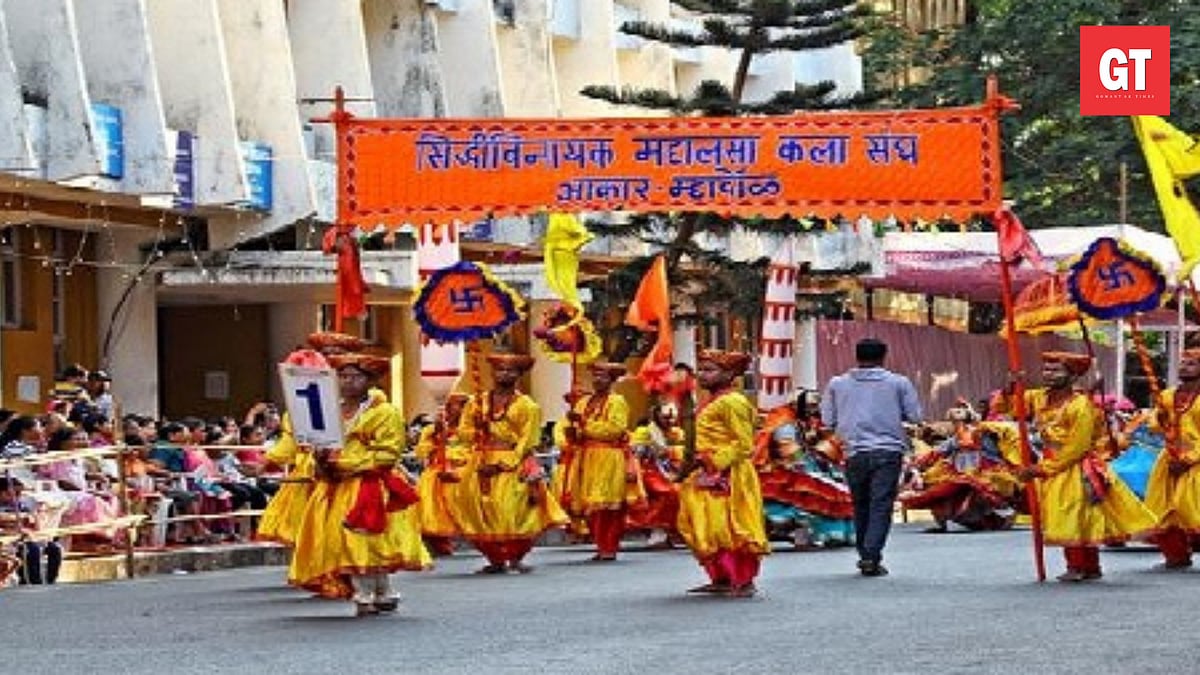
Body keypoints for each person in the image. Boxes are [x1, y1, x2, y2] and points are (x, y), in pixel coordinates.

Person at [288, 351, 430, 616]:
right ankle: (374, 590)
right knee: (343, 538)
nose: (348, 381)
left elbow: (388, 453)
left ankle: (373, 590)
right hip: (335, 485)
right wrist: (320, 461)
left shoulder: (385, 412)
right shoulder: (328, 411)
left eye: (355, 376)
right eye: (343, 376)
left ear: (371, 380)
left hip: (370, 483)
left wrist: (346, 465)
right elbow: (314, 446)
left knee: (367, 539)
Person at [1015, 351, 1155, 582]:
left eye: (1055, 370)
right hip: (1052, 464)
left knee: (1072, 514)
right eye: (1046, 369)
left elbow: (1077, 447)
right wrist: (1013, 385)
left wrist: (1042, 469)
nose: (1048, 374)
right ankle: (1089, 567)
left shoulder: (1081, 406)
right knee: (1076, 514)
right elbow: (1011, 405)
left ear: (1072, 376)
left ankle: (1078, 565)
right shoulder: (1039, 397)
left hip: (1074, 467)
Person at [451, 352, 567, 574]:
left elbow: (528, 441)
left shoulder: (528, 406)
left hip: (513, 464)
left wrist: (502, 465)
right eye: (500, 370)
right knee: (479, 508)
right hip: (480, 461)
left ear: (519, 375)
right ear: (493, 373)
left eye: (510, 371)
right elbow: (463, 433)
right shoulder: (477, 402)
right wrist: (477, 429)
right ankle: (495, 559)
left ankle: (515, 557)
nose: (504, 374)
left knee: (512, 510)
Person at [821, 337, 922, 577]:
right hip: (888, 451)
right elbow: (915, 416)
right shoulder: (899, 383)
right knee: (881, 504)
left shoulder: (837, 384)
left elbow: (827, 419)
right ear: (883, 357)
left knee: (861, 504)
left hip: (853, 451)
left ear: (857, 356)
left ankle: (865, 552)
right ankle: (871, 555)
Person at [257, 330, 365, 546]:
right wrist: (267, 461)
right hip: (313, 469)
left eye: (338, 354)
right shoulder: (306, 398)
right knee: (313, 532)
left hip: (353, 468)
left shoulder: (370, 401)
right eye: (326, 353)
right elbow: (293, 439)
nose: (332, 358)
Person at [677, 349, 768, 598]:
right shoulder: (712, 401)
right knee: (705, 525)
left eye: (709, 370)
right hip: (707, 473)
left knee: (730, 526)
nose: (702, 375)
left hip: (729, 473)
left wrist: (713, 461)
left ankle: (743, 580)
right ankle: (722, 578)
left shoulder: (732, 402)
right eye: (701, 370)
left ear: (728, 374)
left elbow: (744, 444)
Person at [557, 361, 644, 562]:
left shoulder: (617, 401)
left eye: (602, 376)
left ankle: (609, 546)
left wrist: (583, 423)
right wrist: (572, 431)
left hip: (608, 457)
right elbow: (575, 431)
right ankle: (600, 544)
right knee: (589, 504)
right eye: (595, 376)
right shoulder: (583, 402)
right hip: (585, 457)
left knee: (608, 504)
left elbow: (614, 430)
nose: (597, 380)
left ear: (611, 380)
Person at [755, 389, 854, 549]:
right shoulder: (784, 424)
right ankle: (827, 532)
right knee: (825, 489)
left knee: (836, 486)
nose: (814, 410)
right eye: (810, 406)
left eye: (815, 406)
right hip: (782, 471)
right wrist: (813, 462)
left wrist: (825, 448)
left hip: (801, 466)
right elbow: (791, 453)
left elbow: (822, 446)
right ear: (797, 405)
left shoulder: (805, 422)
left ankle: (831, 532)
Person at [1145, 348, 1200, 569]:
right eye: (1182, 363)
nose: (1184, 367)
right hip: (1169, 459)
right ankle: (1176, 556)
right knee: (1162, 508)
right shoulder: (1167, 396)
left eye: (1191, 364)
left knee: (1191, 507)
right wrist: (1159, 418)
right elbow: (1155, 427)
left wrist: (1188, 460)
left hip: (1195, 461)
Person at [413, 393, 470, 556]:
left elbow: (473, 451)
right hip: (435, 474)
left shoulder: (470, 430)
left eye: (465, 406)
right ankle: (438, 542)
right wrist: (436, 436)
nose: (462, 410)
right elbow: (421, 452)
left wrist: (454, 459)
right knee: (430, 504)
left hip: (461, 473)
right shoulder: (431, 429)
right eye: (458, 405)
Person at [627, 402, 686, 548]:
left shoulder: (677, 432)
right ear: (656, 415)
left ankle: (674, 531)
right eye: (665, 417)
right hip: (649, 470)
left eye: (672, 417)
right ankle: (658, 530)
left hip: (673, 471)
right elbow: (635, 454)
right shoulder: (645, 431)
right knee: (667, 491)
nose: (669, 420)